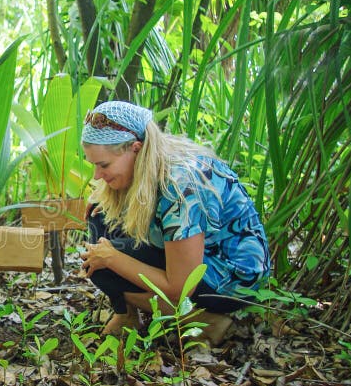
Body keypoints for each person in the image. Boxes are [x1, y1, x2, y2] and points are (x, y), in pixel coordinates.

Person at [79, 100, 270, 345]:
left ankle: (202, 320)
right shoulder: (151, 161)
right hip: (200, 256)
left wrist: (113, 258)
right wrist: (105, 200)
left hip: (233, 276)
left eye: (103, 165)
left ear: (136, 148)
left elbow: (181, 288)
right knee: (100, 213)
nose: (97, 175)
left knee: (103, 264)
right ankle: (126, 315)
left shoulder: (179, 185)